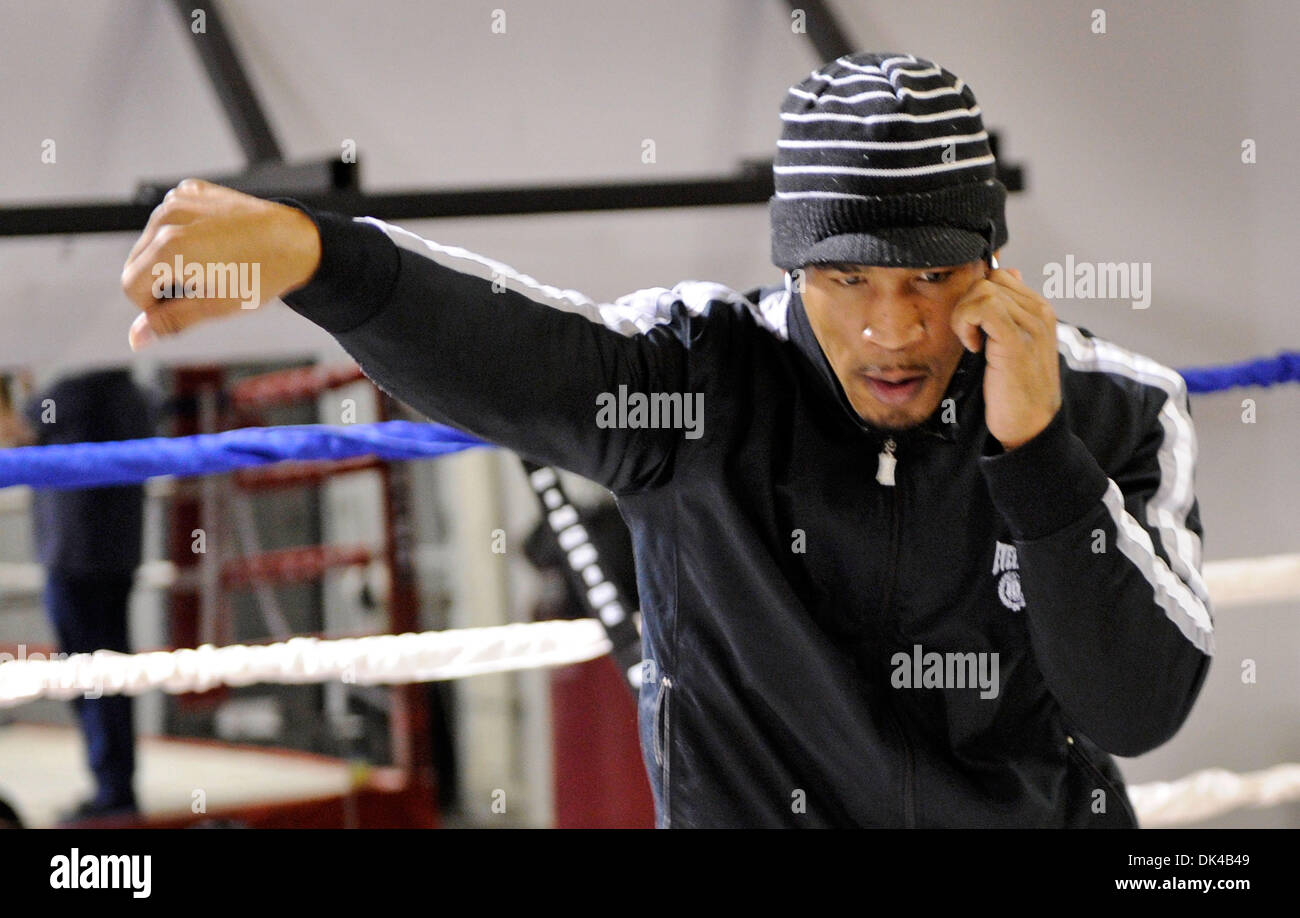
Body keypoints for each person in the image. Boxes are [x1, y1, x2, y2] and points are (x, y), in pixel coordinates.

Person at [118, 51, 1213, 828]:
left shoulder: (1118, 407)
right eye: (848, 281)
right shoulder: (699, 380)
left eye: (933, 278)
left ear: (991, 265)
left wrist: (1037, 455)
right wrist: (321, 259)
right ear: (793, 269)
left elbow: (1135, 707)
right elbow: (514, 342)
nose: (894, 328)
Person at [0, 367, 155, 821]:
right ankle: (115, 787)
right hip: (113, 548)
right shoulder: (126, 388)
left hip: (77, 550)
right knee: (106, 667)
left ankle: (113, 792)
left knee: (90, 669)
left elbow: (16, 431)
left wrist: (21, 399)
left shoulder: (73, 389)